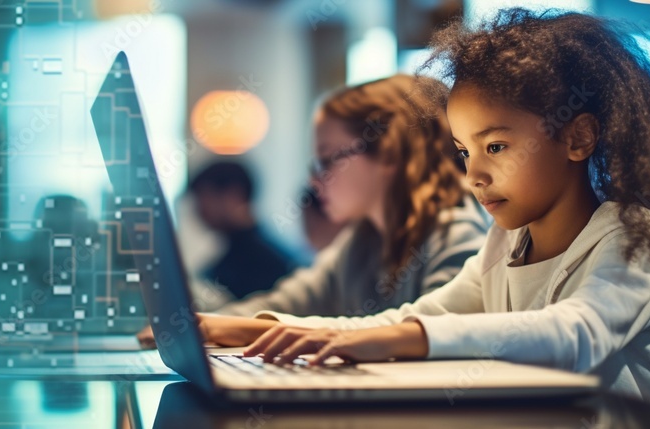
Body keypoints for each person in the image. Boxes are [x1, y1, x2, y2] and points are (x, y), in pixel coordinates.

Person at [196, 9, 650, 405]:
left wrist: (395, 338)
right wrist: (247, 331)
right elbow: (420, 317)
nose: (473, 175)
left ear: (577, 137)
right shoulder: (505, 242)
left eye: (496, 146)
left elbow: (576, 333)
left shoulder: (633, 235)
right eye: (465, 152)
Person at [138, 74, 490, 347]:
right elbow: (290, 301)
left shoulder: (455, 234)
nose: (314, 178)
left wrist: (236, 328)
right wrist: (207, 325)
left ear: (388, 153)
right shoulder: (362, 240)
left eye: (326, 159)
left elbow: (430, 335)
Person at [188, 160, 298, 300]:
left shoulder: (267, 262)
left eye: (203, 197)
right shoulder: (231, 259)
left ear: (234, 196)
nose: (198, 209)